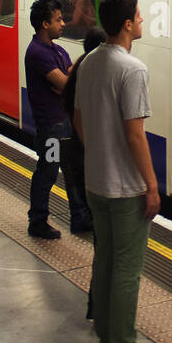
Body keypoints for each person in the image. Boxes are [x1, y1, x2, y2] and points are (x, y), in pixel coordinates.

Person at [72, 0, 169, 343]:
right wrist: (152, 185)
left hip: (95, 182)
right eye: (139, 16)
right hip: (126, 189)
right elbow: (135, 134)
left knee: (105, 261)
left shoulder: (90, 62)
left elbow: (79, 119)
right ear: (127, 24)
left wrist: (99, 153)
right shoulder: (132, 69)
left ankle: (106, 338)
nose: (142, 21)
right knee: (127, 269)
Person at [25, 0, 93, 239]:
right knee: (48, 172)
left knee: (73, 172)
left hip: (64, 122)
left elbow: (67, 80)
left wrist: (67, 80)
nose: (63, 23)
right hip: (51, 126)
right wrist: (69, 78)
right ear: (45, 24)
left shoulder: (57, 50)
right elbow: (66, 84)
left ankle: (80, 217)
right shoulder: (38, 53)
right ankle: (37, 220)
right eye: (58, 20)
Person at [65, 27, 106, 320]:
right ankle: (99, 309)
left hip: (78, 151)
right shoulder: (90, 75)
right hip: (87, 156)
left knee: (102, 247)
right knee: (106, 248)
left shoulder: (78, 70)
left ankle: (96, 306)